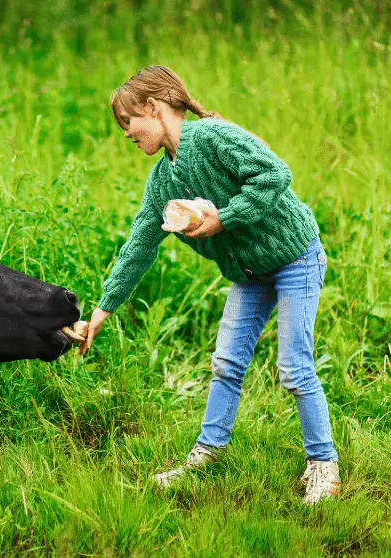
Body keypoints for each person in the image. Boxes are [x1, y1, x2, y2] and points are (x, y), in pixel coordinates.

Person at [80, 65, 339, 504]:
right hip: (249, 276)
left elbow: (275, 175)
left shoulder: (214, 137)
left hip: (296, 257)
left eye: (129, 122)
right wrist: (103, 310)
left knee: (294, 367)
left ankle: (324, 466)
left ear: (153, 106)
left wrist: (224, 217)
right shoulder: (162, 179)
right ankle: (208, 453)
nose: (126, 133)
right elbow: (140, 245)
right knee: (225, 363)